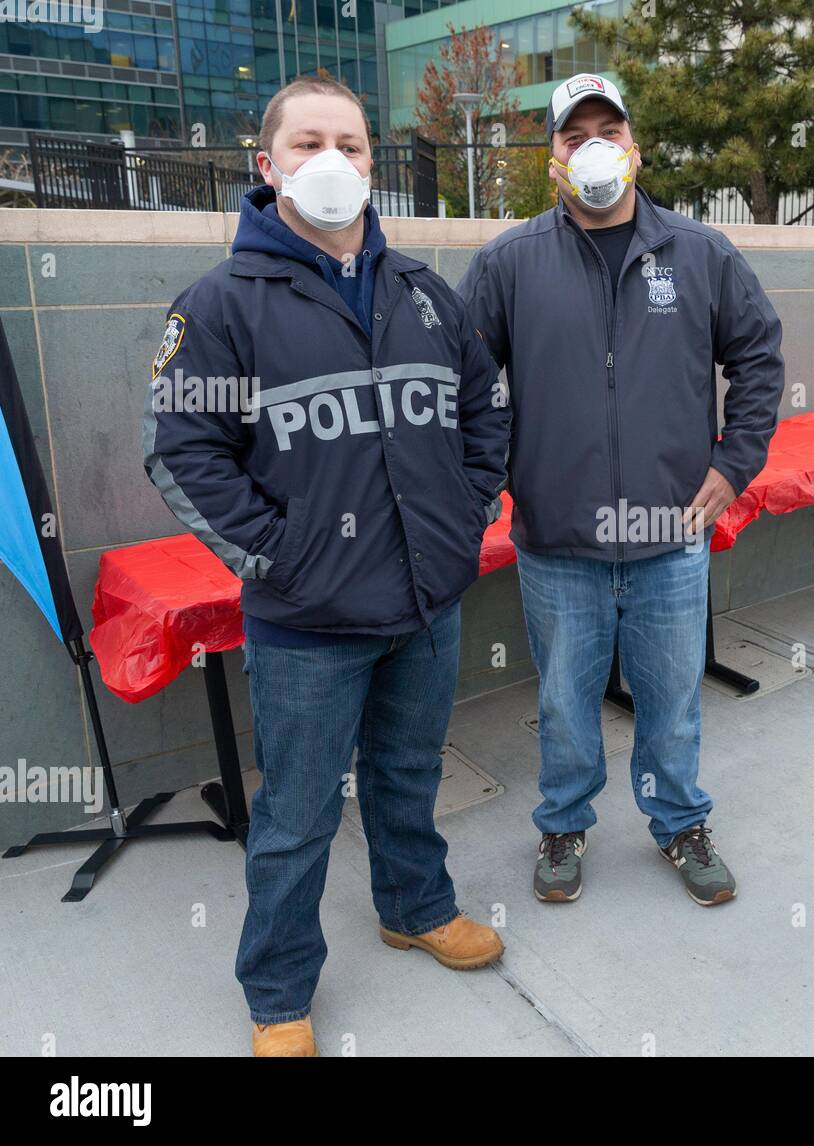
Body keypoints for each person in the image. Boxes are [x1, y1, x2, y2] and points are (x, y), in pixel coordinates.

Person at [143, 76, 511, 1056]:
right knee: (299, 818)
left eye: (349, 143)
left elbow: (486, 411)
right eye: (307, 143)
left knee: (404, 777)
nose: (333, 161)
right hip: (306, 623)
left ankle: (415, 906)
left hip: (426, 602)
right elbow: (182, 451)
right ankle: (277, 991)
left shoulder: (423, 294)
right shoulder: (223, 304)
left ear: (370, 162)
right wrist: (280, 554)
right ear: (267, 168)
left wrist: (462, 518)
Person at [458, 74, 785, 907]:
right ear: (552, 157)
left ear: (636, 147)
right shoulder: (507, 263)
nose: (594, 145)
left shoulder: (701, 252)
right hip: (558, 540)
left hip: (671, 535)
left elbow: (757, 358)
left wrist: (732, 463)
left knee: (672, 700)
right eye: (575, 135)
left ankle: (679, 822)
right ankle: (563, 825)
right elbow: (464, 384)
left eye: (610, 128)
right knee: (566, 705)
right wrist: (501, 477)